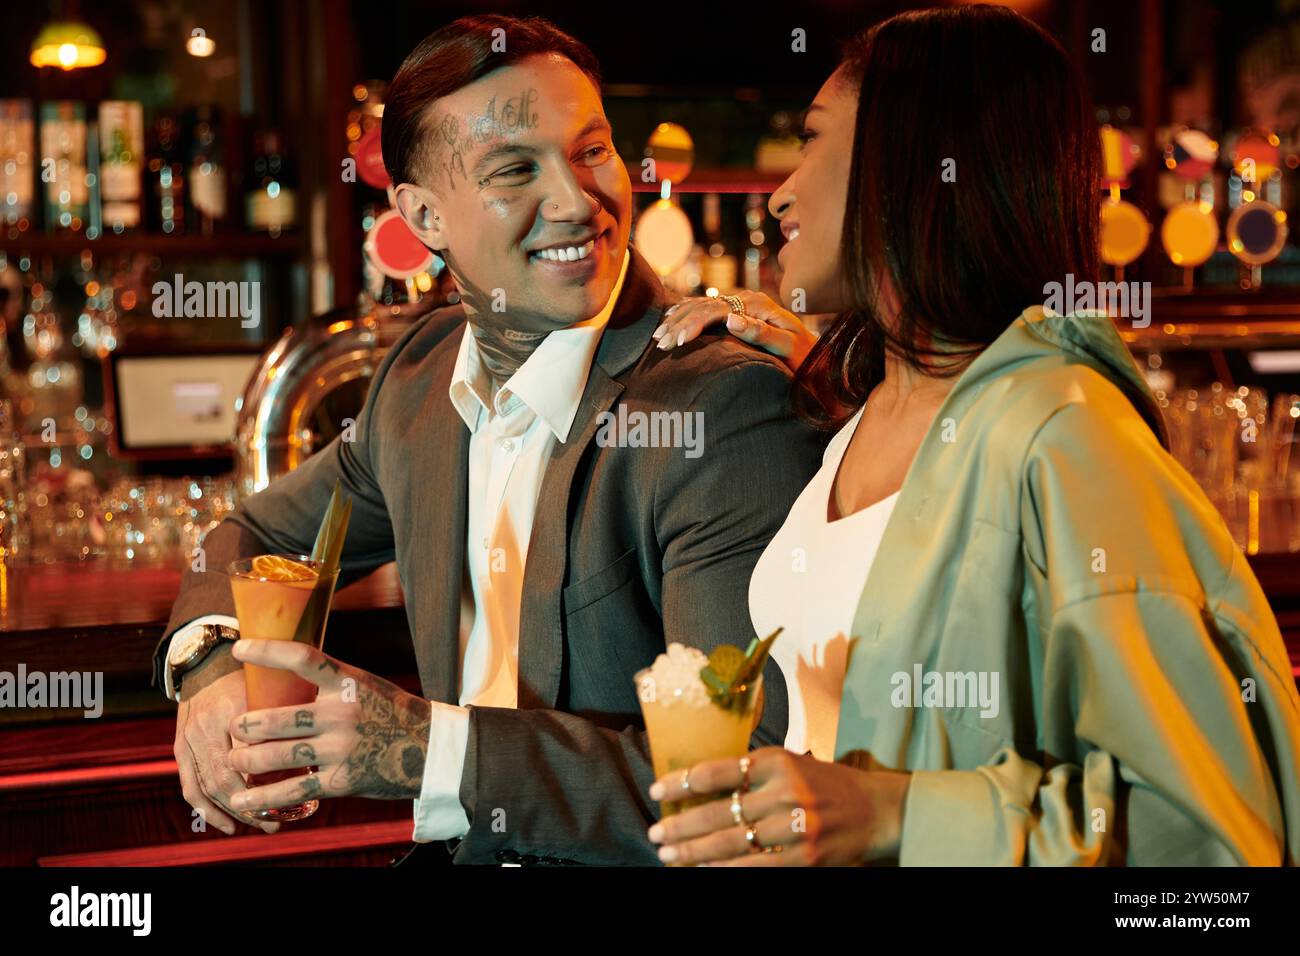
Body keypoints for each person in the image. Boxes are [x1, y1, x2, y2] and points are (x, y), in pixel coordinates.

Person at [153, 14, 825, 866]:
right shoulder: (419, 381)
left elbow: (732, 795)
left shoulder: (719, 408)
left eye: (591, 151)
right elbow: (249, 537)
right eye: (516, 169)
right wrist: (209, 666)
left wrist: (422, 747)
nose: (579, 201)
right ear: (424, 214)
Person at [646, 4, 1300, 865]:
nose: (780, 191)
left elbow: (1211, 840)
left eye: (812, 140)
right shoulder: (865, 413)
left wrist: (893, 816)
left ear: (909, 161)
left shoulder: (1064, 434)